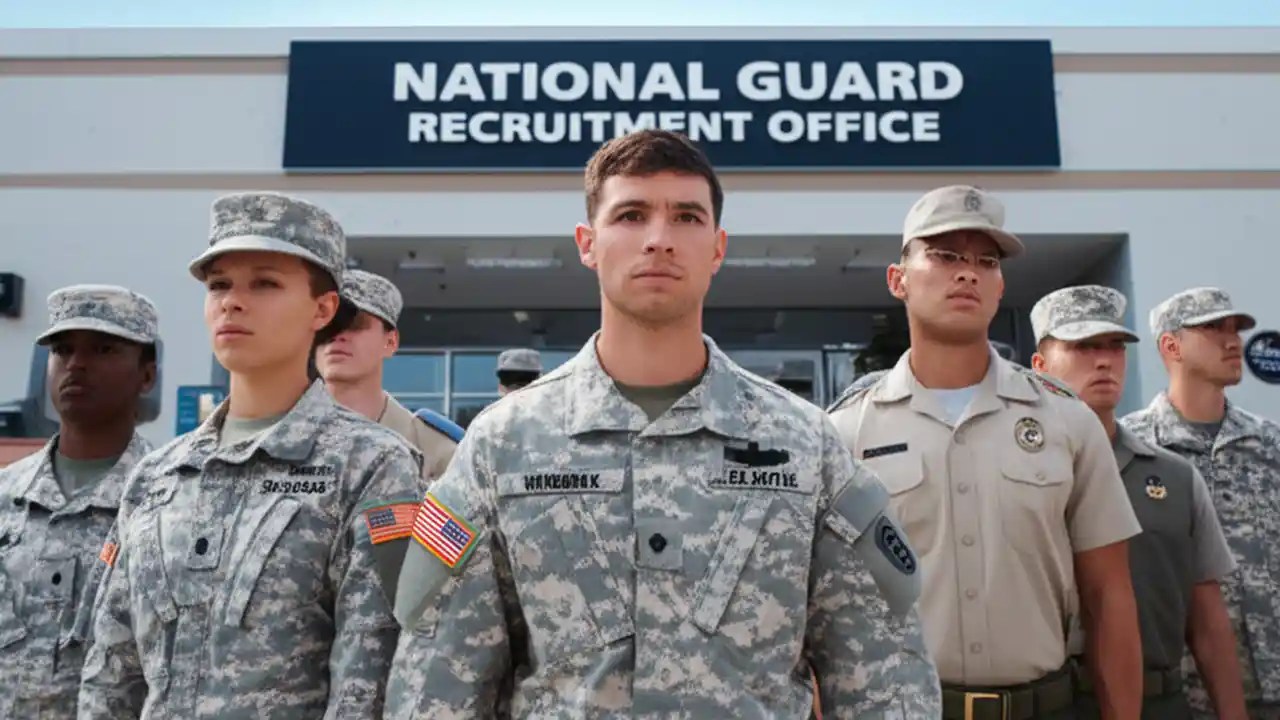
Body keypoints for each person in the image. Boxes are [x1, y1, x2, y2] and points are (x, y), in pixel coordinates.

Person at [386, 129, 940, 719]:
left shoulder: (805, 444)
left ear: (718, 247)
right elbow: (437, 680)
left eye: (686, 217)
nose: (658, 239)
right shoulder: (501, 445)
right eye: (630, 215)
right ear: (588, 243)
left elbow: (887, 670)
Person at [78, 192, 423, 718]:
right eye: (219, 285)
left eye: (265, 283)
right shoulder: (154, 479)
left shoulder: (372, 464)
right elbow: (110, 671)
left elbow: (371, 672)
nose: (232, 302)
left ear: (323, 308)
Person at [829, 185, 1144, 720]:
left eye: (986, 261)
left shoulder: (1067, 423)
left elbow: (1109, 594)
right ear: (898, 280)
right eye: (945, 255)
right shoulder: (844, 432)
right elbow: (822, 609)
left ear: (1000, 287)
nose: (968, 273)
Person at [1029, 285, 1247, 720]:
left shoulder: (1174, 476)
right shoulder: (1015, 474)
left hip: (1159, 703)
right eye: (1083, 347)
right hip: (1051, 705)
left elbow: (1206, 616)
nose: (1105, 360)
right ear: (1040, 366)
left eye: (1115, 346)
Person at [1120, 286, 1280, 720]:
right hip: (1182, 692)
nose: (1233, 341)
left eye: (1236, 329)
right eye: (1213, 328)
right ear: (1171, 345)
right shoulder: (1132, 449)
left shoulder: (1270, 444)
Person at [0, 285, 159, 718]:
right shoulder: (6, 495)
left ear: (147, 375)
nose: (76, 364)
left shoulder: (167, 500)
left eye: (103, 349)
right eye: (62, 350)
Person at [316, 267, 461, 484]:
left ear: (390, 342)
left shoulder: (436, 451)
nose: (337, 336)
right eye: (327, 325)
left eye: (355, 325)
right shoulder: (273, 437)